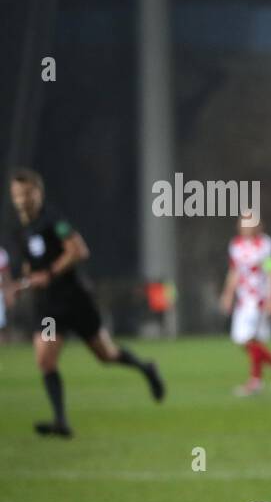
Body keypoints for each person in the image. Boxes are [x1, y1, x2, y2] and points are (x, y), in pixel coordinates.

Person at [9, 167, 164, 437]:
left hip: (75, 300)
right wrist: (23, 283)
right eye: (18, 195)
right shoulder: (22, 230)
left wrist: (51, 273)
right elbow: (30, 266)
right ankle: (61, 421)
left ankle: (146, 368)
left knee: (106, 355)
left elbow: (78, 250)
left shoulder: (53, 219)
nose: (23, 200)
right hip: (49, 308)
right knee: (45, 359)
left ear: (39, 193)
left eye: (27, 194)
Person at [219, 212, 271, 396]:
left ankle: (259, 378)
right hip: (243, 300)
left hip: (259, 299)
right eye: (243, 222)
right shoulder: (235, 246)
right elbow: (234, 272)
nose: (246, 225)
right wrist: (228, 295)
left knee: (248, 339)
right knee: (246, 341)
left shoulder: (266, 246)